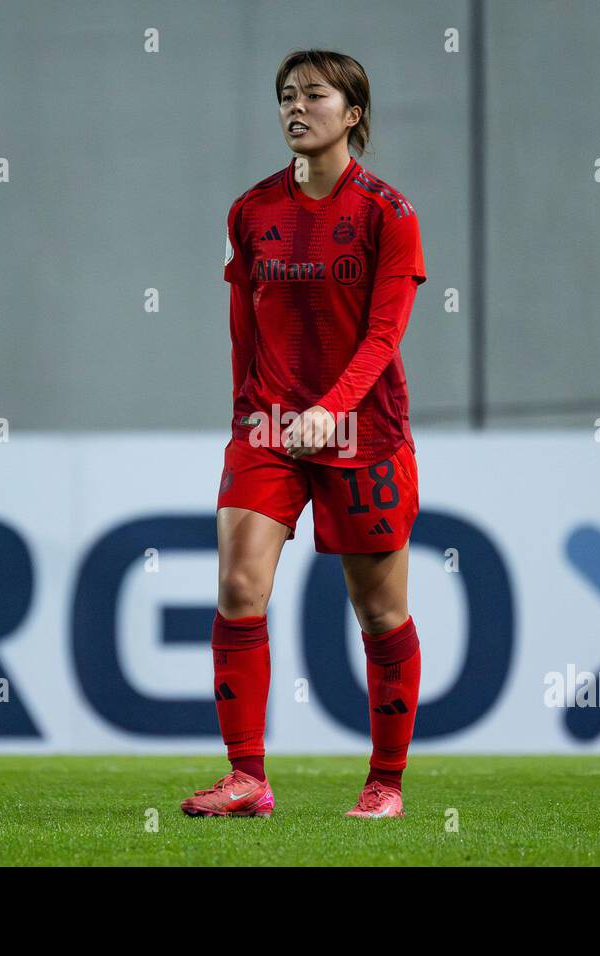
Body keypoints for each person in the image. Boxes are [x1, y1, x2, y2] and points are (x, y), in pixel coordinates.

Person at [181, 49, 427, 820]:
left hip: (366, 434)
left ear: (352, 113)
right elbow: (241, 328)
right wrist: (243, 414)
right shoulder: (250, 212)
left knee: (380, 614)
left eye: (315, 95)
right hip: (269, 428)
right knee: (236, 587)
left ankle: (385, 784)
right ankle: (247, 779)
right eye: (287, 95)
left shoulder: (389, 214)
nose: (296, 106)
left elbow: (385, 333)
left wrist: (335, 406)